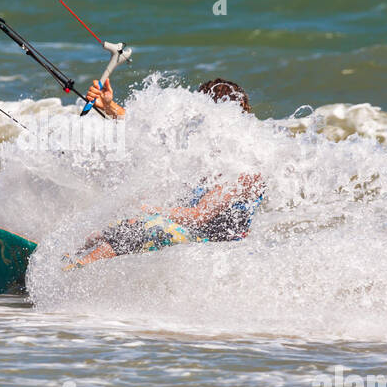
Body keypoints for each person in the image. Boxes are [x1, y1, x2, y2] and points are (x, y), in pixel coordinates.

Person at [68, 78, 265, 267]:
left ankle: (78, 267)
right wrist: (109, 106)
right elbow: (145, 136)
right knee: (109, 226)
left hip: (217, 250)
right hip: (192, 234)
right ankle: (66, 260)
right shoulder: (203, 153)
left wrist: (144, 208)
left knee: (143, 226)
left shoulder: (244, 166)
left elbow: (198, 216)